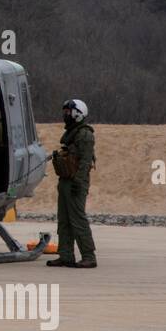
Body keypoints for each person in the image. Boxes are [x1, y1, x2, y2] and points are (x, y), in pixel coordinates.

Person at [48, 98, 98, 269]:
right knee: (64, 220)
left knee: (77, 220)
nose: (65, 115)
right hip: (65, 181)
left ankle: (89, 256)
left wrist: (79, 180)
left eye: (69, 112)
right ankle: (66, 255)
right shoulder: (72, 133)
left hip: (76, 182)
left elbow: (85, 161)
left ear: (78, 113)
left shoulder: (85, 134)